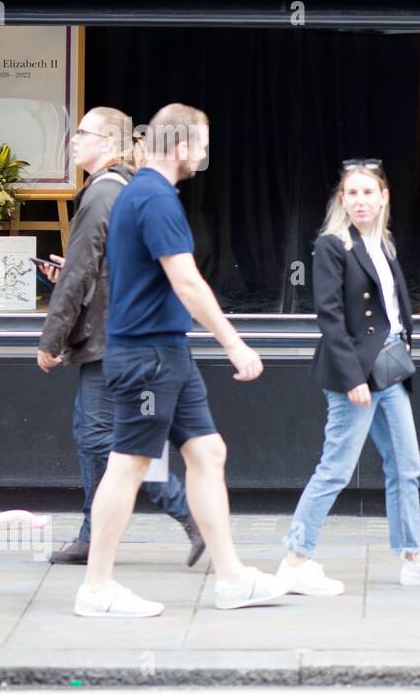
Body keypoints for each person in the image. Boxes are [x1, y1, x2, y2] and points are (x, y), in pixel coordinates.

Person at [75, 104, 288, 616]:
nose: (206, 157)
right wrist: (234, 343)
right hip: (148, 354)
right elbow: (187, 281)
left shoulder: (143, 193)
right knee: (128, 465)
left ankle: (233, 578)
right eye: (204, 146)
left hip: (165, 349)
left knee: (208, 452)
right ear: (183, 146)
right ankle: (96, 589)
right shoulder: (152, 198)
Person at [278, 159, 420, 594]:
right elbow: (330, 317)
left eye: (368, 192)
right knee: (336, 468)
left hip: (389, 370)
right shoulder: (332, 246)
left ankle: (413, 555)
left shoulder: (383, 244)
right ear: (342, 200)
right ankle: (295, 558)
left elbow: (394, 313)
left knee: (406, 465)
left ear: (384, 197)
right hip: (357, 375)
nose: (360, 200)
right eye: (351, 193)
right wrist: (352, 378)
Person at [38, 106, 203, 567]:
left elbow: (83, 272)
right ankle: (105, 533)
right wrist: (68, 276)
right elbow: (102, 269)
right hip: (127, 333)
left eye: (83, 133)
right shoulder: (124, 187)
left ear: (108, 143)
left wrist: (51, 338)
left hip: (111, 339)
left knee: (103, 437)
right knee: (112, 436)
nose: (73, 140)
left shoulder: (102, 192)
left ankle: (186, 516)